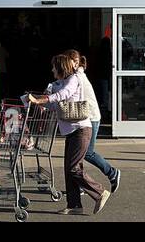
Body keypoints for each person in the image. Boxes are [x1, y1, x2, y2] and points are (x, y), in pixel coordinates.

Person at [26, 52, 110, 216]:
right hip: (72, 132)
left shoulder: (73, 80)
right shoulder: (62, 82)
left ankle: (99, 192)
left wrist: (40, 100)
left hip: (81, 130)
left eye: (53, 67)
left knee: (73, 168)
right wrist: (37, 102)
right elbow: (59, 105)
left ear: (60, 68)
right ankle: (74, 205)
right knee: (69, 169)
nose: (52, 70)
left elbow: (61, 96)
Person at [74, 51, 121, 193]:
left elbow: (68, 92)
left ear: (75, 63)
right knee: (78, 152)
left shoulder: (78, 77)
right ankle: (80, 182)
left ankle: (111, 172)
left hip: (91, 118)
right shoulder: (76, 76)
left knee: (86, 152)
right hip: (86, 118)